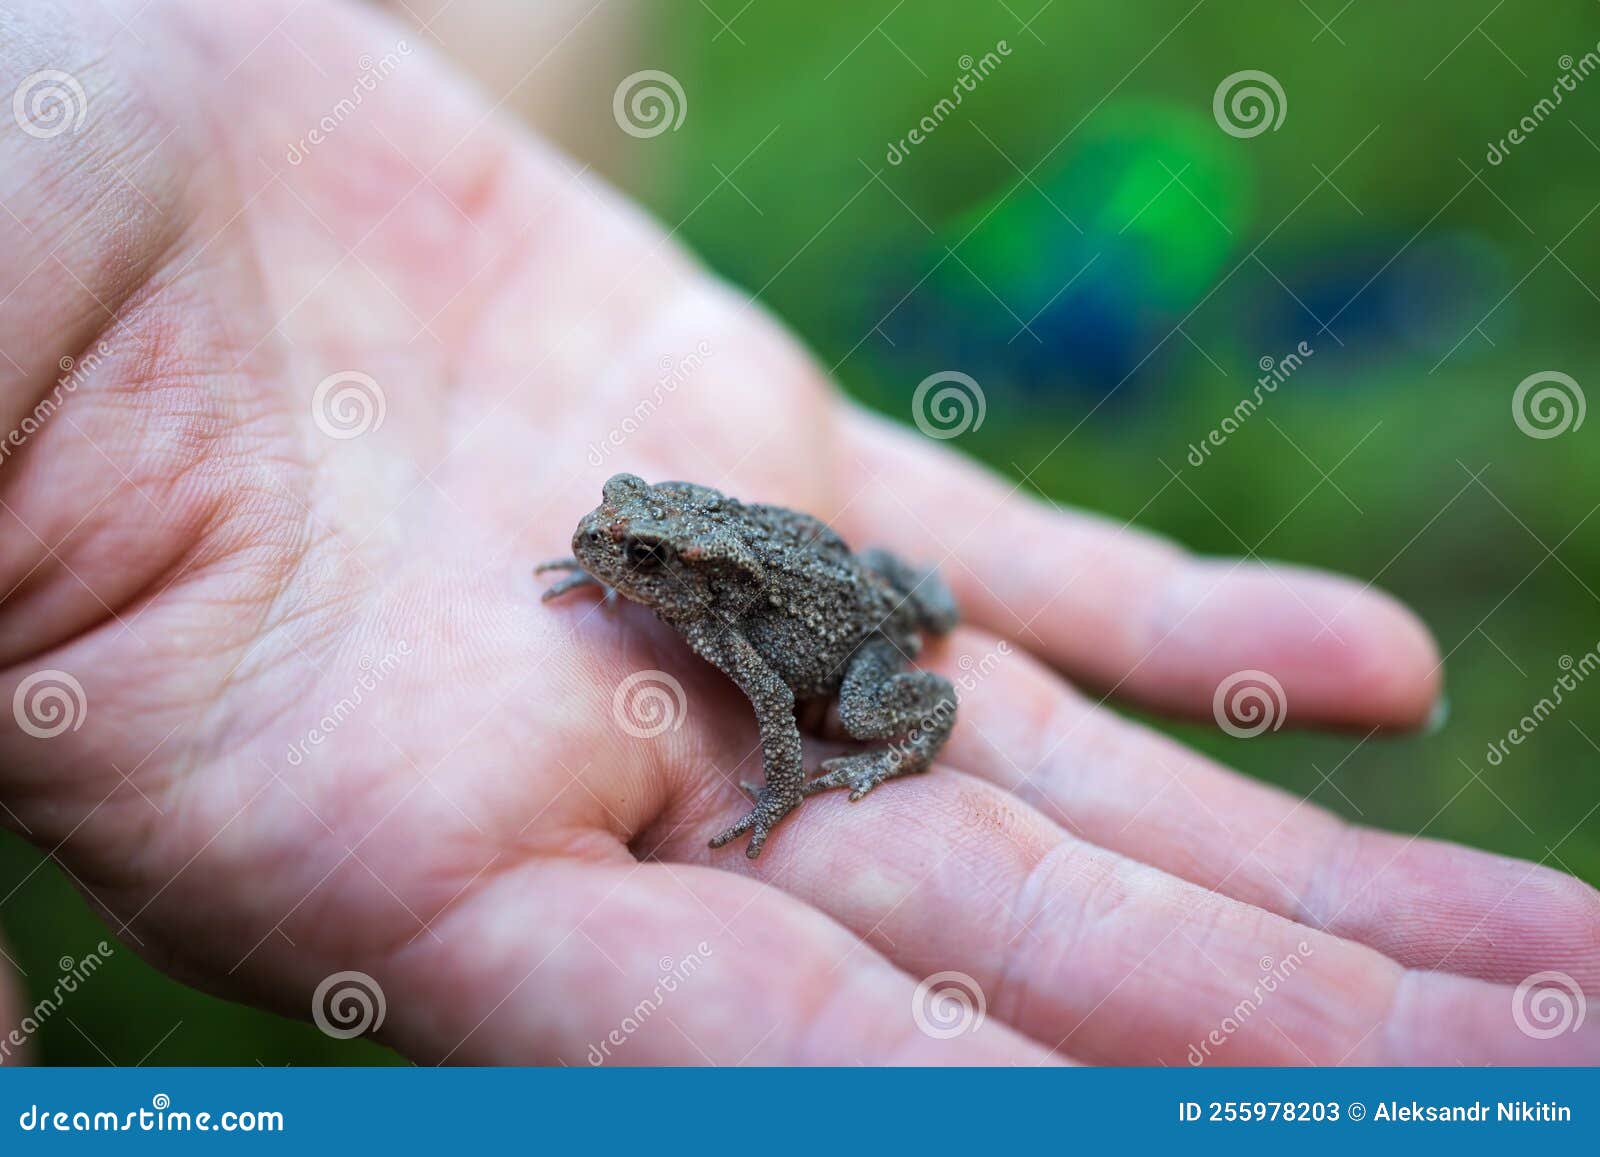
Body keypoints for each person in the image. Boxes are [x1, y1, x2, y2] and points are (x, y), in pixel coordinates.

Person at [0, 0, 1594, 1065]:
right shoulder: (663, 571)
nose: (615, 556)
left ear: (684, 574)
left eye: (637, 556)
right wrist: (605, 569)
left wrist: (798, 784)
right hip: (814, 561)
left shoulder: (725, 615)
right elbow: (648, 553)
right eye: (619, 542)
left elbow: (774, 693)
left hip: (849, 629)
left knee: (886, 691)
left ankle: (883, 739)